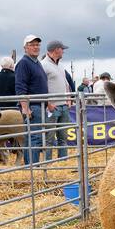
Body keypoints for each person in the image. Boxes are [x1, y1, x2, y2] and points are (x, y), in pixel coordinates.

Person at [15, 35, 48, 166]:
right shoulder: (23, 63)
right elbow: (20, 86)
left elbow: (41, 84)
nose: (36, 47)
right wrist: (25, 107)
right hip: (33, 105)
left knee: (32, 136)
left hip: (39, 104)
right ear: (25, 48)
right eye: (32, 45)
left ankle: (31, 165)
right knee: (35, 136)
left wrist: (48, 101)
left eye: (37, 45)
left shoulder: (36, 62)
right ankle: (34, 166)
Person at [41, 39, 76, 164]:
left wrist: (68, 98)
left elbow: (66, 84)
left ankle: (62, 163)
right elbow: (41, 86)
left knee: (63, 137)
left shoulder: (60, 66)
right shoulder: (43, 65)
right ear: (56, 50)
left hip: (63, 105)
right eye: (62, 49)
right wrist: (48, 103)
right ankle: (48, 164)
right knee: (49, 137)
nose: (63, 51)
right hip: (52, 106)